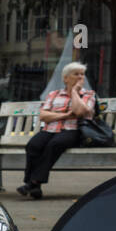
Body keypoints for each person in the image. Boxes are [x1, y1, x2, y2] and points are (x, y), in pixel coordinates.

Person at [18, 62, 95, 199]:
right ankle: (34, 186)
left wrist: (74, 92)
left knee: (54, 144)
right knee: (33, 145)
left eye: (82, 74)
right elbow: (43, 116)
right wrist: (65, 115)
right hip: (50, 129)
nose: (80, 77)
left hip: (73, 130)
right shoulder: (53, 94)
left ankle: (33, 182)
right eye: (76, 74)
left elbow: (79, 112)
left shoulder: (88, 95)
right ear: (65, 78)